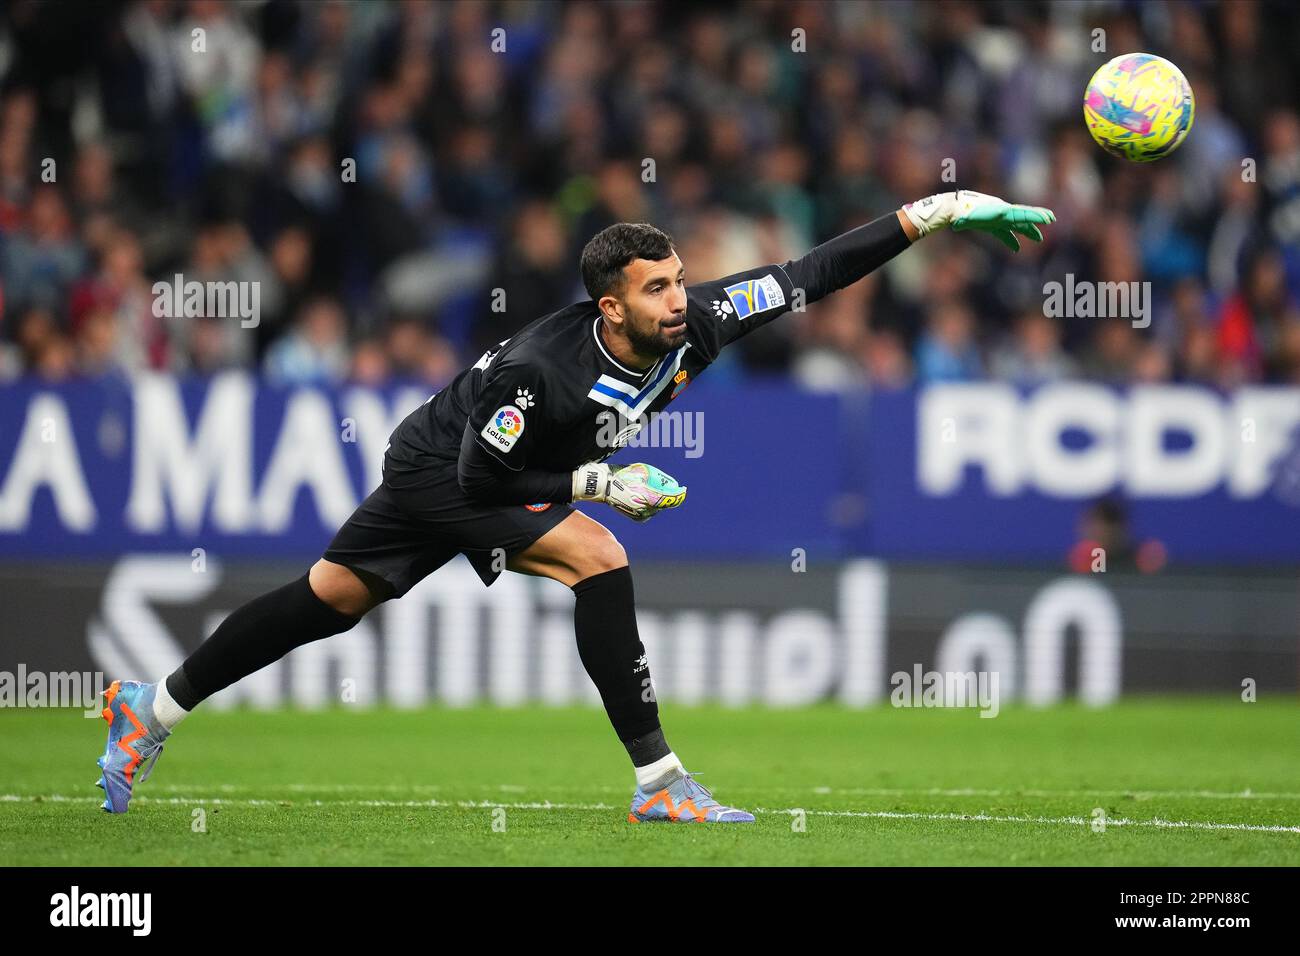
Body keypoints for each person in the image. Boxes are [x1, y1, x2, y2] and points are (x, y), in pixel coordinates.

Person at [96, 190, 1054, 823]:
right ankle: (660, 784)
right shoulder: (542, 373)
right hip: (448, 467)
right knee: (599, 554)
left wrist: (936, 212)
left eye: (679, 280)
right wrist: (595, 483)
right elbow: (478, 480)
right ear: (610, 308)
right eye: (657, 290)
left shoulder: (701, 318)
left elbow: (815, 273)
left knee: (330, 597)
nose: (682, 301)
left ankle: (154, 706)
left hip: (464, 467)